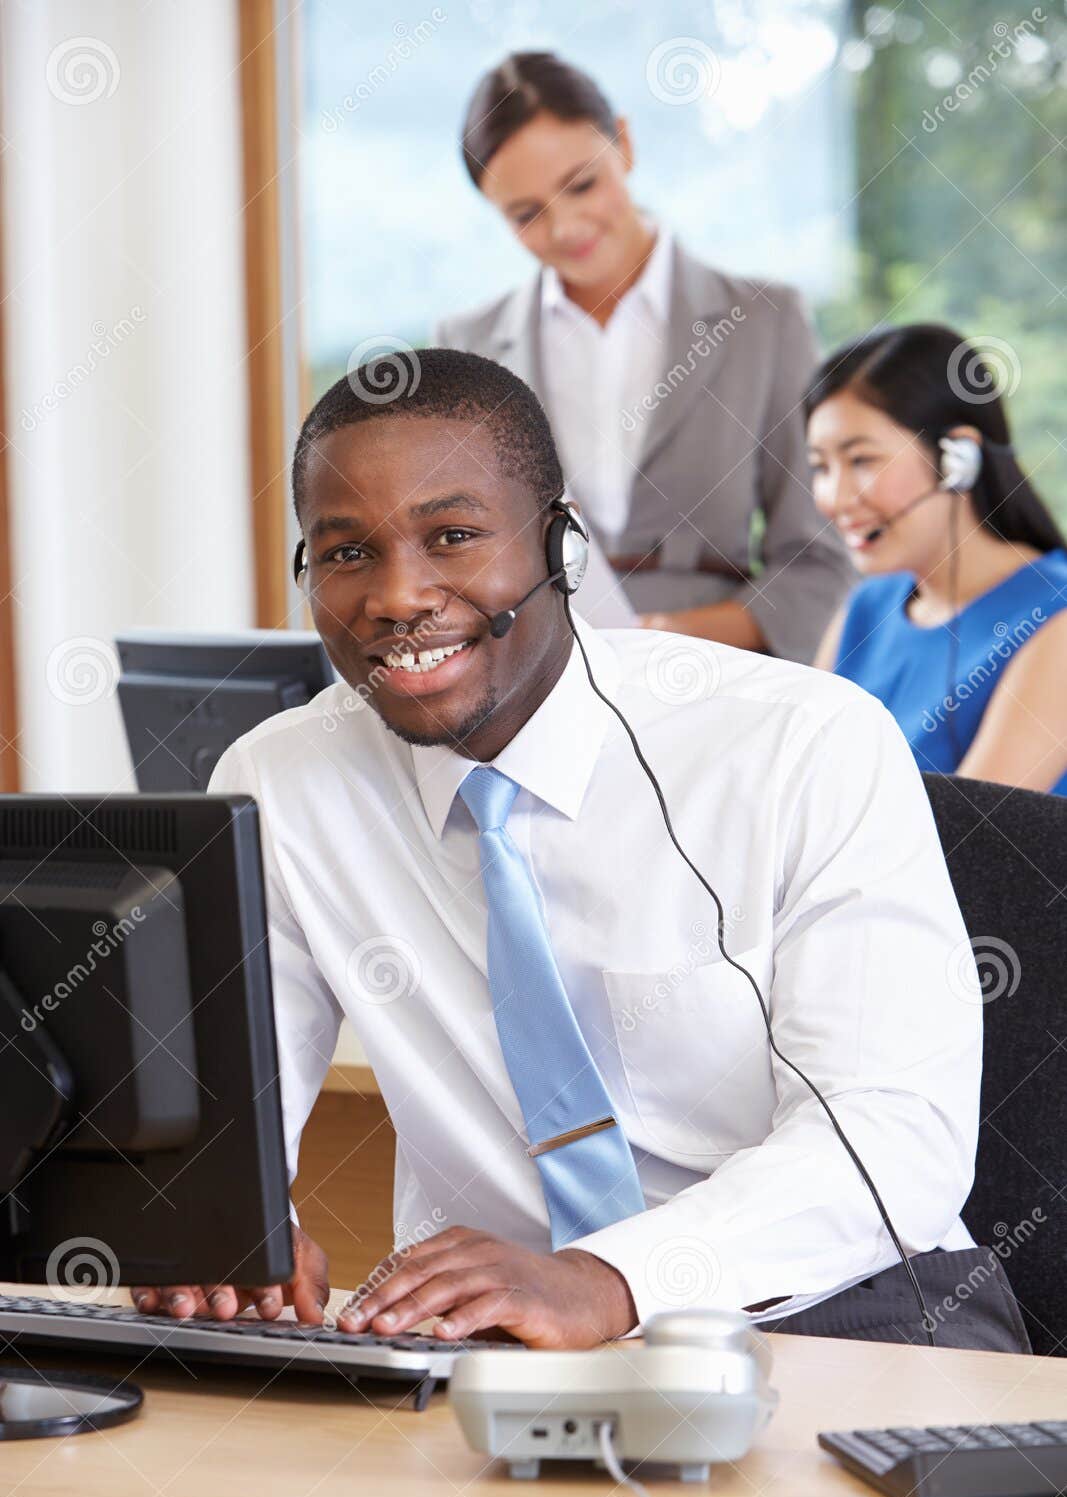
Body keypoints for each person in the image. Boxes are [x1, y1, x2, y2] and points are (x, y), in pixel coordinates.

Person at [133, 348, 1027, 1354]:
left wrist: (609, 1279)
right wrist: (221, 1225)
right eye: (345, 553)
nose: (397, 595)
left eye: (453, 536)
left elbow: (890, 1142)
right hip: (488, 1330)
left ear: (559, 544)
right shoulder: (283, 782)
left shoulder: (799, 743)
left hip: (840, 1303)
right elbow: (227, 1114)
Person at [435, 51, 853, 664]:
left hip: (714, 673)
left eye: (583, 184)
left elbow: (819, 559)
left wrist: (672, 638)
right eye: (526, 214)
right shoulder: (466, 343)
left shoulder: (764, 322)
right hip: (526, 680)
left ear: (624, 144)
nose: (567, 225)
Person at [807, 324, 1067, 792]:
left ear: (957, 458)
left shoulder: (1055, 618)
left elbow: (975, 840)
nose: (834, 497)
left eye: (862, 460)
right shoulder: (864, 608)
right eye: (820, 467)